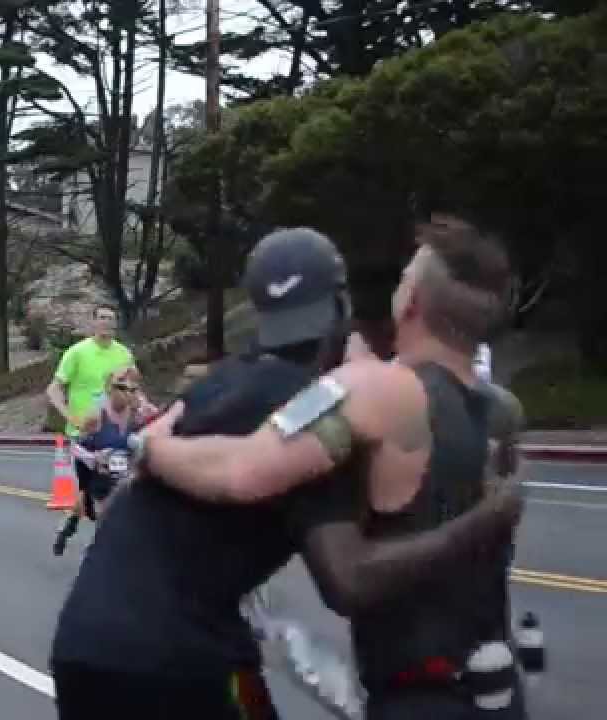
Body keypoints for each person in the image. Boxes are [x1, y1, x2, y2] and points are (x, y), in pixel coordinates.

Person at [50, 226, 523, 720]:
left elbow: (121, 505)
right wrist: (480, 523)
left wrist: (148, 450)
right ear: (340, 305)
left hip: (85, 643)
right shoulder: (326, 411)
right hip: (180, 656)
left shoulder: (224, 384)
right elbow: (346, 577)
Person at [46, 305, 137, 556]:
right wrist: (70, 417)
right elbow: (54, 390)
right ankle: (76, 526)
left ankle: (95, 538)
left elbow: (132, 386)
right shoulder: (77, 352)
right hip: (85, 434)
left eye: (112, 318)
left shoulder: (123, 353)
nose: (107, 323)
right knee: (92, 492)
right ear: (93, 323)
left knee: (114, 487)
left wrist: (145, 407)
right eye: (102, 318)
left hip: (114, 430)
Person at [67, 366, 151, 519]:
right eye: (123, 388)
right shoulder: (96, 416)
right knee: (108, 520)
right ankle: (73, 519)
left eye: (133, 389)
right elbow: (75, 448)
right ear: (110, 389)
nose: (128, 394)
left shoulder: (138, 414)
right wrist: (94, 458)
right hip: (101, 480)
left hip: (128, 481)